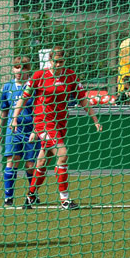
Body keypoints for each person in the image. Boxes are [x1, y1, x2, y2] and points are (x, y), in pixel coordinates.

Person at [10, 46, 103, 210]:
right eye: (55, 61)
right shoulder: (39, 76)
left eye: (61, 61)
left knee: (42, 162)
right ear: (50, 61)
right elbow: (24, 97)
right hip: (43, 123)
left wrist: (95, 119)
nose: (58, 65)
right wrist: (14, 118)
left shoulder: (70, 76)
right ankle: (65, 200)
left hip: (60, 123)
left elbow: (82, 99)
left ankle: (30, 197)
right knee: (62, 154)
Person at [0, 56, 40, 206]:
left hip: (30, 130)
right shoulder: (7, 87)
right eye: (16, 67)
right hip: (13, 130)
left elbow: (38, 110)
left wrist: (36, 129)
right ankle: (8, 197)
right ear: (13, 69)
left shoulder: (33, 87)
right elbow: (4, 111)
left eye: (23, 68)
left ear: (28, 70)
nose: (19, 70)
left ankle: (32, 194)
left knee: (30, 165)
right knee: (12, 161)